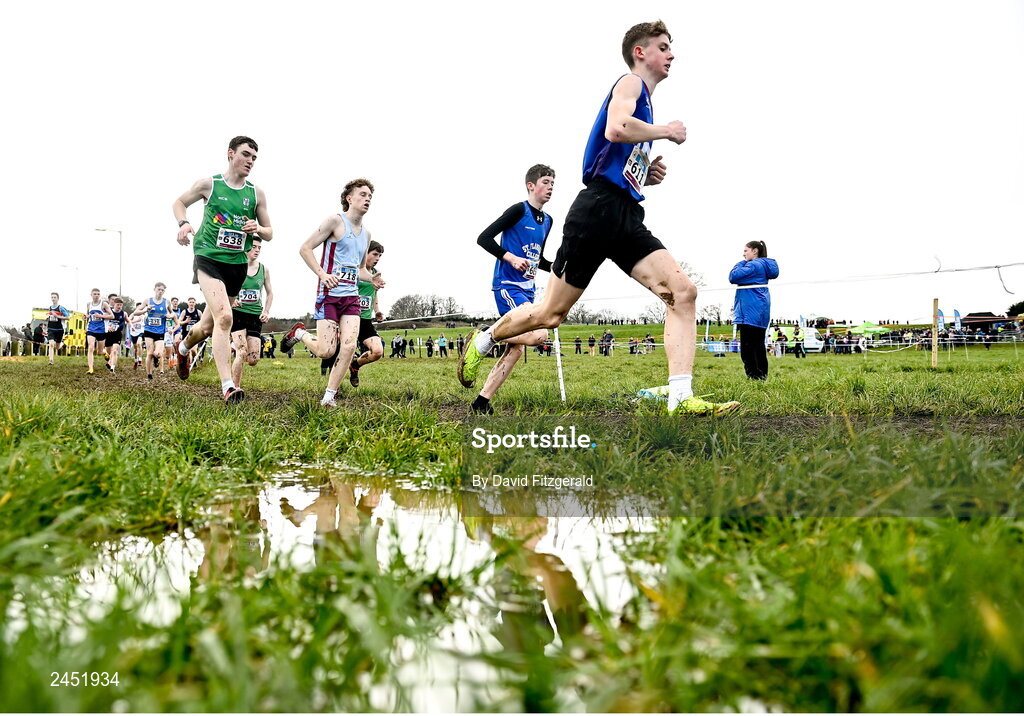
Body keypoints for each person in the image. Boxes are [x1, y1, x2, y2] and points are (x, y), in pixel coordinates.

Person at [458, 22, 739, 415]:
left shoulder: (645, 102)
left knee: (683, 294)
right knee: (550, 316)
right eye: (663, 47)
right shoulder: (630, 84)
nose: (671, 54)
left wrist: (645, 174)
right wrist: (666, 131)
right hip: (596, 212)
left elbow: (620, 153)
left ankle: (680, 398)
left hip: (625, 215)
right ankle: (485, 340)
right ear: (640, 52)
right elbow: (616, 127)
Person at [172, 135, 274, 403]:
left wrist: (258, 229)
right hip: (208, 257)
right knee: (225, 319)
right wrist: (183, 223)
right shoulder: (210, 184)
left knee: (207, 326)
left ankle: (182, 348)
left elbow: (270, 232)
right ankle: (228, 386)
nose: (250, 161)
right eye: (245, 154)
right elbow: (179, 202)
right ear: (231, 154)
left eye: (254, 157)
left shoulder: (256, 193)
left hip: (236, 265)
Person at [460, 164, 555, 415]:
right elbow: (484, 238)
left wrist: (559, 268)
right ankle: (485, 335)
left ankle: (481, 402)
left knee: (517, 347)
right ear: (531, 185)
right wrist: (510, 258)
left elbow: (539, 260)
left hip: (528, 290)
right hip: (508, 286)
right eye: (546, 182)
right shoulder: (518, 210)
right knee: (539, 336)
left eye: (553, 183)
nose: (551, 187)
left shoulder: (548, 221)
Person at [280, 178, 384, 407]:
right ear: (349, 198)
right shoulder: (335, 222)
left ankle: (329, 396)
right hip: (329, 294)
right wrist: (322, 274)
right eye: (363, 195)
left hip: (351, 297)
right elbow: (305, 248)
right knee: (326, 351)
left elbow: (360, 270)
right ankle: (299, 334)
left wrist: (373, 278)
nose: (367, 199)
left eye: (370, 196)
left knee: (347, 346)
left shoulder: (366, 234)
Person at [729, 240, 779, 380]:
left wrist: (741, 263)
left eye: (746, 251)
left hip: (748, 311)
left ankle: (753, 377)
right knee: (758, 345)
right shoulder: (763, 266)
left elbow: (733, 276)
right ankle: (762, 376)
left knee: (747, 347)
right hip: (761, 310)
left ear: (755, 251)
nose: (743, 254)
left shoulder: (753, 265)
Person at [230, 237, 273, 389]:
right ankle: (234, 388)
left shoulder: (264, 269)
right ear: (246, 247)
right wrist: (232, 299)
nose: (257, 250)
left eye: (259, 248)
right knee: (241, 352)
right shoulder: (235, 265)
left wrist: (266, 311)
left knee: (253, 359)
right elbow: (223, 286)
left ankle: (235, 353)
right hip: (238, 313)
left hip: (255, 315)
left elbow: (270, 293)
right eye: (254, 247)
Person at [348, 240, 386, 387]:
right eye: (375, 254)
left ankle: (355, 365)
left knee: (377, 351)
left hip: (365, 321)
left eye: (380, 256)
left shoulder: (376, 274)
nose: (377, 258)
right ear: (365, 254)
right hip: (348, 318)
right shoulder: (354, 270)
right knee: (337, 353)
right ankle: (332, 390)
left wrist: (377, 311)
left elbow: (373, 294)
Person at [132, 282, 171, 381]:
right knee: (149, 352)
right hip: (149, 330)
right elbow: (136, 312)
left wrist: (170, 316)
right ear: (154, 289)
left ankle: (156, 359)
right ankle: (149, 374)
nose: (160, 291)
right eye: (159, 289)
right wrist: (145, 309)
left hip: (160, 331)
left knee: (157, 353)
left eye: (162, 290)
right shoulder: (147, 301)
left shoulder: (166, 302)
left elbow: (173, 314)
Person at [84, 288, 109, 376]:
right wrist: (86, 317)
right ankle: (91, 368)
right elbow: (88, 314)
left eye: (98, 294)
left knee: (100, 351)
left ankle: (105, 352)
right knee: (90, 347)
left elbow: (112, 316)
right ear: (91, 295)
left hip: (101, 329)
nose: (96, 295)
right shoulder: (89, 304)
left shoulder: (104, 304)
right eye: (94, 294)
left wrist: (101, 315)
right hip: (91, 328)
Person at [44, 292, 70, 364]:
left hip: (59, 329)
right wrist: (48, 318)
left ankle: (62, 345)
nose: (53, 299)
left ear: (58, 299)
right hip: (51, 328)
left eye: (54, 297)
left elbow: (68, 317)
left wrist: (57, 316)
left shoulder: (61, 308)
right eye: (52, 297)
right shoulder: (50, 308)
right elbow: (50, 316)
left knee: (57, 347)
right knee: (51, 344)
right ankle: (51, 360)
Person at [103, 296, 127, 372]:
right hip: (109, 334)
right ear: (114, 304)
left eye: (121, 305)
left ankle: (112, 367)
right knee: (108, 352)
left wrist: (117, 327)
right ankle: (109, 362)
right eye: (118, 305)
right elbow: (104, 321)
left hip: (117, 334)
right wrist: (108, 327)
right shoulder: (109, 312)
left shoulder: (123, 313)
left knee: (115, 351)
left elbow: (123, 322)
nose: (119, 306)